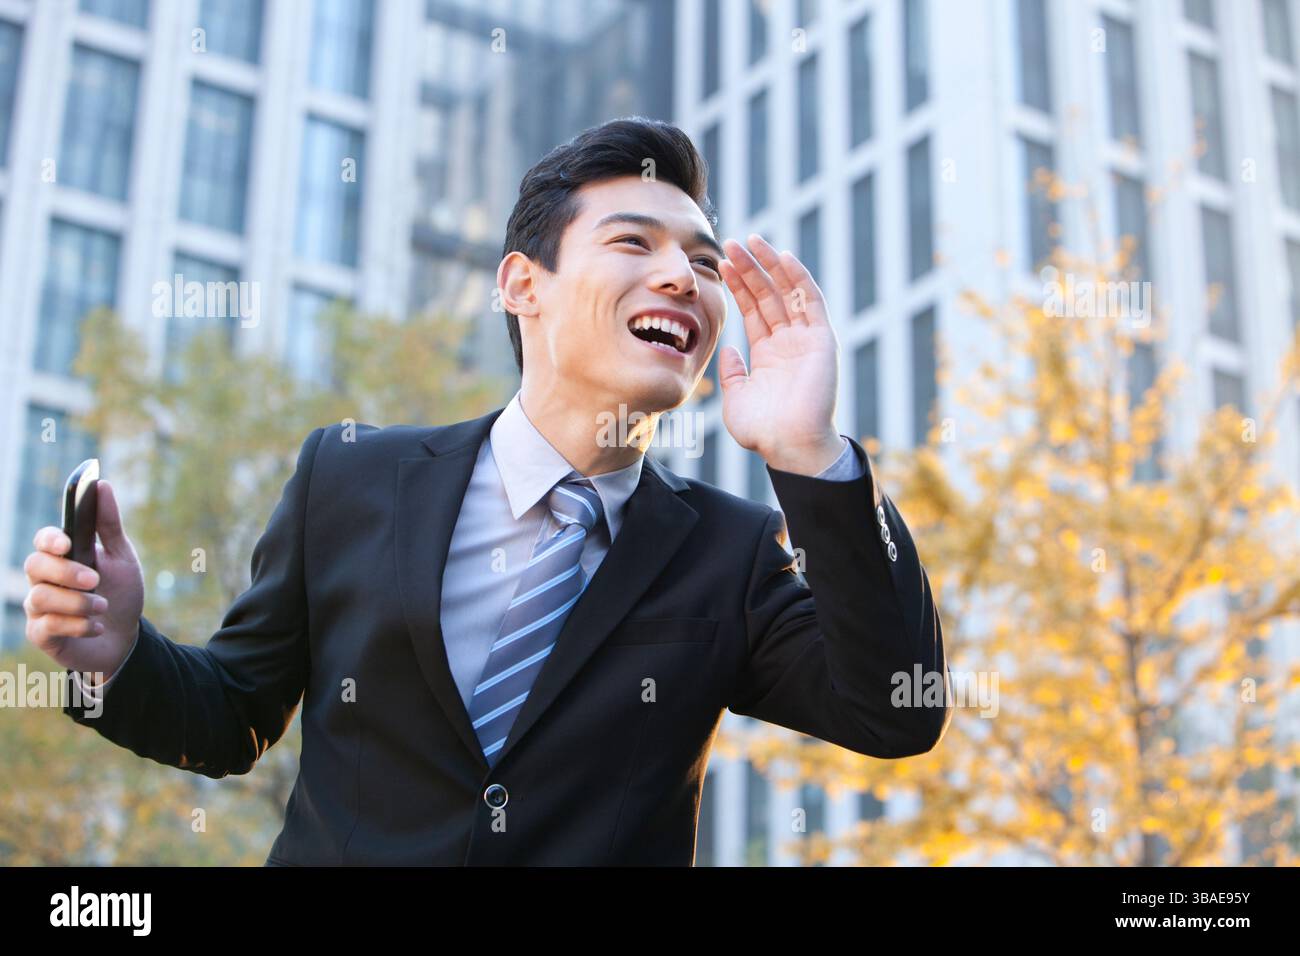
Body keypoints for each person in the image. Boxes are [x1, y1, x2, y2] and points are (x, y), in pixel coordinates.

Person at [22, 117, 951, 866]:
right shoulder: (350, 479)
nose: (683, 276)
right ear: (522, 285)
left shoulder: (731, 551)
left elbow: (896, 711)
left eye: (705, 264)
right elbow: (232, 721)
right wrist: (115, 659)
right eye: (634, 241)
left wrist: (810, 450)